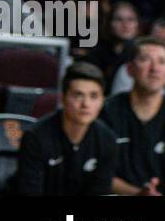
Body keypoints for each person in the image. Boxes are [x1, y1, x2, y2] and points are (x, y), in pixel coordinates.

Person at [101, 37, 165, 195]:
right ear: (129, 69)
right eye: (145, 60)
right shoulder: (106, 111)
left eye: (161, 62)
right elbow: (96, 172)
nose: (154, 68)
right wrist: (137, 194)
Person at [16, 62, 118, 195]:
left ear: (102, 101)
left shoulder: (107, 139)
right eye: (77, 95)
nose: (86, 104)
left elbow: (100, 191)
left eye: (93, 96)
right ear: (63, 98)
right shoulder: (35, 137)